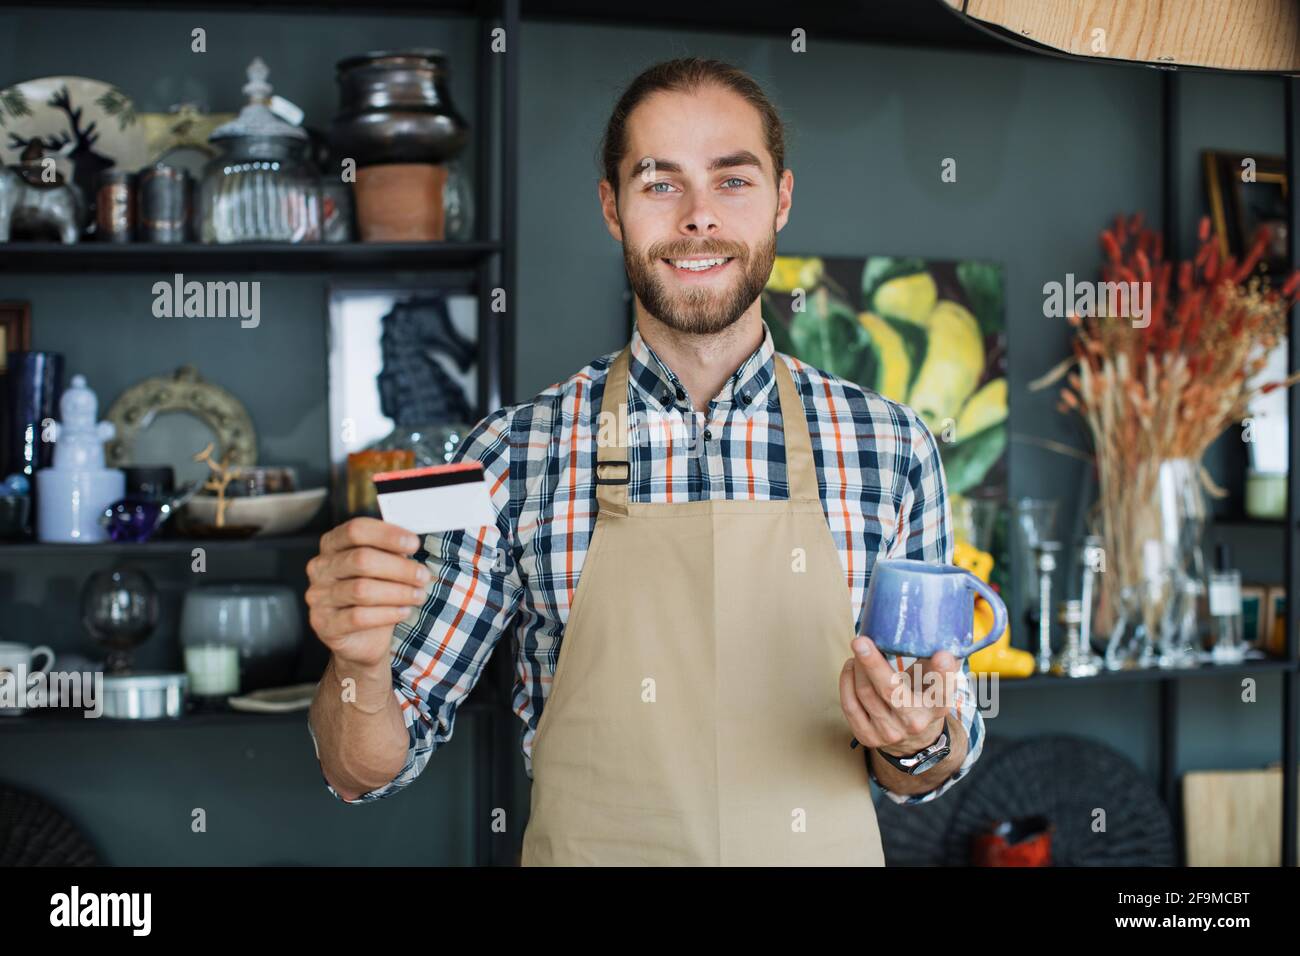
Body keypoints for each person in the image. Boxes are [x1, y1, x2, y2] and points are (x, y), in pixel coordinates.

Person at [306, 56, 984, 866]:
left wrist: (916, 737)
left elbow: (934, 759)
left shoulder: (894, 447)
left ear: (783, 201)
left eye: (733, 182)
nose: (699, 218)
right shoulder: (498, 458)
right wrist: (356, 664)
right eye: (660, 184)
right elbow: (363, 770)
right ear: (612, 208)